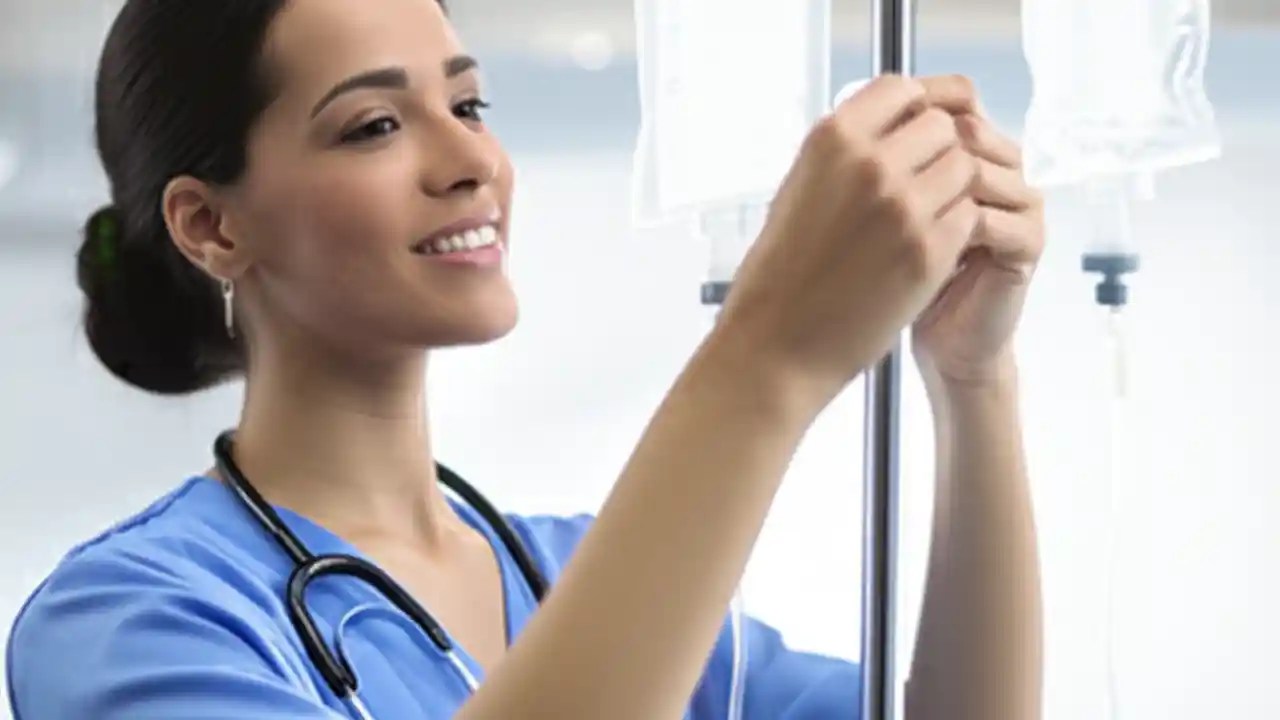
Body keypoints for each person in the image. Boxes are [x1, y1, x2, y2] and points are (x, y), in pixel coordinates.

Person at [5, 0, 1046, 718]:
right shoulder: (128, 620)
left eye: (466, 106)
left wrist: (971, 379)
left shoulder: (568, 572)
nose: (469, 163)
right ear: (210, 226)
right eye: (372, 125)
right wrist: (764, 356)